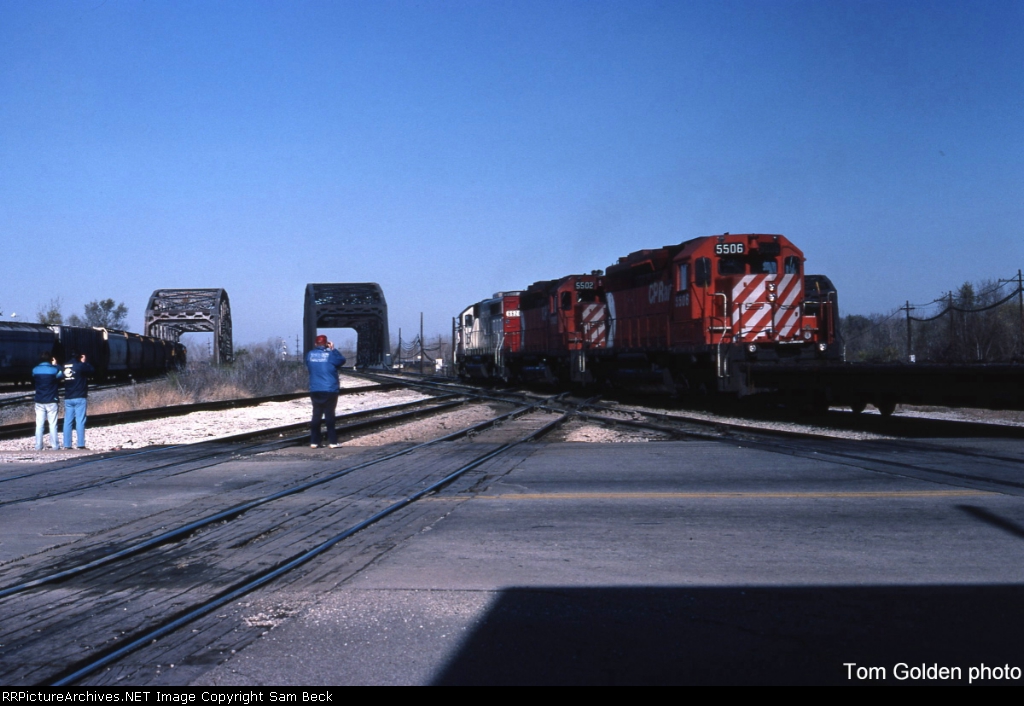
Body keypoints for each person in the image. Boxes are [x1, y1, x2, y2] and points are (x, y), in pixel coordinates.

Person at [305, 334, 346, 448]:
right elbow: (342, 360)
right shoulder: (330, 355)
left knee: (316, 415)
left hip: (315, 389)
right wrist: (333, 349)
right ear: (326, 344)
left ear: (315, 344)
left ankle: (314, 441)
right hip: (330, 389)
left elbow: (308, 365)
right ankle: (332, 442)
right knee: (329, 416)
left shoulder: (310, 355)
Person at [62, 351, 96, 450]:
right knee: (80, 421)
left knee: (67, 421)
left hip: (68, 397)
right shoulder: (80, 366)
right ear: (80, 357)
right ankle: (80, 444)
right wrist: (84, 362)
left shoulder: (65, 366)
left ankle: (67, 444)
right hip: (80, 396)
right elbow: (91, 370)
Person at [32, 351, 63, 450]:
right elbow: (61, 375)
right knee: (53, 424)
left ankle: (38, 446)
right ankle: (55, 446)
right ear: (50, 359)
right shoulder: (54, 370)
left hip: (39, 400)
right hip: (51, 400)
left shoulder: (35, 370)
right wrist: (56, 365)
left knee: (39, 425)